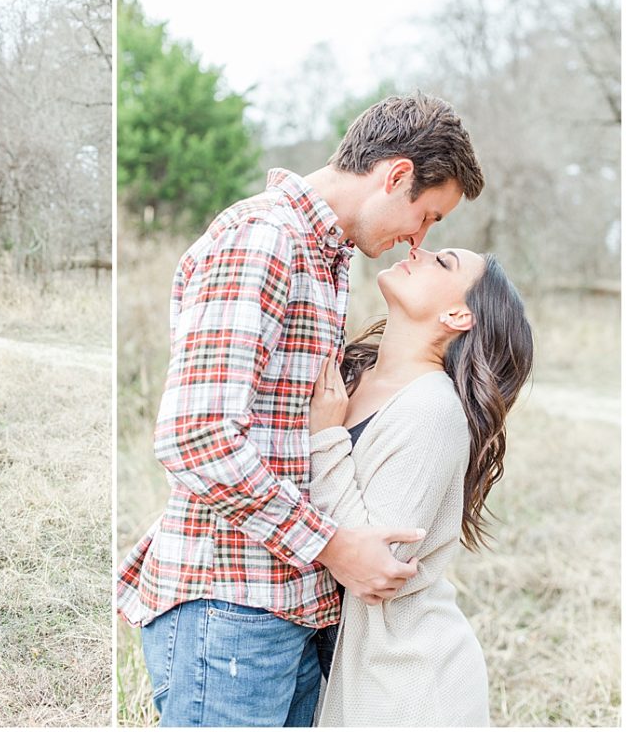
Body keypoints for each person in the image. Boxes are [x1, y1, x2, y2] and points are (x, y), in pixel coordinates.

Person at [116, 93, 486, 726]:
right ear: (395, 176)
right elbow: (195, 436)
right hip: (231, 608)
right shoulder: (263, 238)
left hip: (291, 608)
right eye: (425, 216)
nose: (417, 240)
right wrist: (335, 546)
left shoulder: (330, 258)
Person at [307, 247, 533, 725]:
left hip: (409, 684)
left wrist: (326, 440)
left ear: (457, 315)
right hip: (354, 663)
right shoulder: (353, 372)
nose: (419, 249)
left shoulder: (432, 411)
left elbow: (375, 567)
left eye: (442, 262)